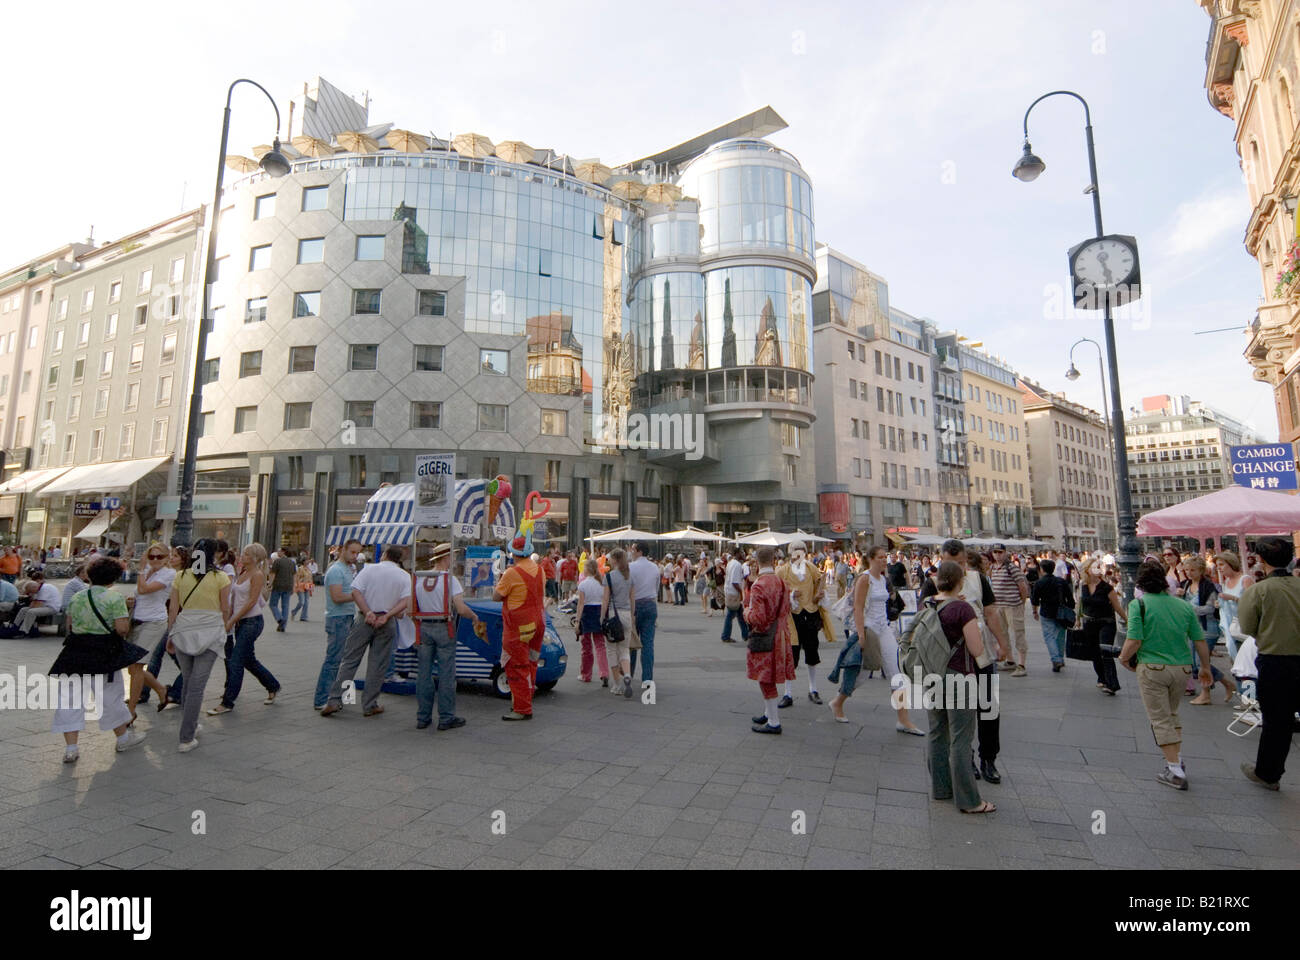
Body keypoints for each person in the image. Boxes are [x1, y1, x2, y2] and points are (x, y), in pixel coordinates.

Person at [1118, 558, 1212, 790]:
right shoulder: (1182, 605)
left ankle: (1174, 770)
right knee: (1171, 714)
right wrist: (1205, 668)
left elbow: (1134, 640)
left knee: (1159, 718)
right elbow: (1199, 640)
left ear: (1140, 584)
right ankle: (1176, 759)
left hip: (1152, 667)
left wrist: (1123, 657)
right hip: (1181, 668)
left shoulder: (1138, 605)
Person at [49, 557, 150, 762]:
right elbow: (122, 629)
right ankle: (122, 739)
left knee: (70, 699)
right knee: (110, 696)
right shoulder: (115, 598)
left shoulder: (77, 597)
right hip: (104, 652)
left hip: (75, 652)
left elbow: (70, 625)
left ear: (90, 576)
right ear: (113, 579)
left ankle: (71, 748)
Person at [922, 560, 994, 813]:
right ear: (961, 581)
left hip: (931, 676)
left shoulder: (929, 604)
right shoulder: (963, 609)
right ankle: (969, 801)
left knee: (936, 733)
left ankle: (941, 789)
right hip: (958, 676)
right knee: (961, 739)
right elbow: (976, 648)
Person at [1235, 536, 1300, 790]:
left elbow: (1248, 627)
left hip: (1276, 661)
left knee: (1277, 721)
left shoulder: (1258, 591)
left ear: (1260, 560)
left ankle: (1268, 773)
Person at [322, 545, 410, 718]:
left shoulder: (369, 570)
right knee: (377, 665)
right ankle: (369, 705)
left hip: (364, 618)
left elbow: (356, 592)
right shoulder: (404, 576)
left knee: (350, 661)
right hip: (387, 621)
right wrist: (388, 615)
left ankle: (337, 700)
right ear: (400, 559)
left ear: (384, 555)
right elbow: (406, 600)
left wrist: (368, 611)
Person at [166, 539, 232, 752]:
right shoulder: (221, 577)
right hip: (210, 632)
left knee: (188, 681)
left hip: (184, 630)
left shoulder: (180, 576)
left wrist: (170, 634)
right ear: (214, 555)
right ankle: (186, 736)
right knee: (197, 686)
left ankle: (191, 725)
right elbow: (225, 609)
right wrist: (224, 630)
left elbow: (173, 609)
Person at [413, 541, 480, 731]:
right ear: (445, 558)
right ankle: (446, 717)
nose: (454, 559)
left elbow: (412, 606)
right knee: (446, 674)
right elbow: (460, 608)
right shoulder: (449, 580)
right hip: (444, 627)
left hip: (424, 627)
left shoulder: (420, 578)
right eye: (452, 556)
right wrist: (473, 616)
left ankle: (423, 717)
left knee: (424, 674)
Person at [210, 543, 279, 714]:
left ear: (255, 558)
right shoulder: (243, 572)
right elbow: (235, 597)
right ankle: (272, 685)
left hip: (252, 622)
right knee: (248, 660)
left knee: (236, 660)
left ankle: (228, 702)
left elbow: (251, 601)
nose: (242, 556)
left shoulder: (257, 575)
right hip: (241, 622)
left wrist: (233, 620)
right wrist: (229, 616)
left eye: (246, 554)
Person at [494, 529, 546, 720]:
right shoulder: (539, 570)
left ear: (513, 553)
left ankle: (522, 708)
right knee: (531, 663)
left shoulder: (511, 573)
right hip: (538, 623)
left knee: (516, 666)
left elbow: (496, 597)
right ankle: (524, 700)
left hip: (518, 627)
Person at [744, 546, 796, 734]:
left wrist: (746, 612)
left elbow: (758, 618)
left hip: (766, 637)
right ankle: (768, 712)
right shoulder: (782, 582)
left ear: (757, 562)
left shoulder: (759, 585)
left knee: (766, 678)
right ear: (774, 561)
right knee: (770, 676)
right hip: (782, 634)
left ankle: (774, 721)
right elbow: (788, 608)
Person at [778, 540, 832, 707]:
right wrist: (791, 596)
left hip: (810, 614)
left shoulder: (811, 568)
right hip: (792, 617)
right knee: (791, 654)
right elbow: (778, 594)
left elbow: (820, 581)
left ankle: (813, 689)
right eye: (796, 551)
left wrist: (818, 595)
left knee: (812, 653)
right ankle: (787, 693)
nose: (799, 554)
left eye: (801, 551)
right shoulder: (782, 571)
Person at [1181, 555, 1237, 706]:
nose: (1189, 573)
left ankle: (1206, 694)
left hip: (1207, 628)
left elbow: (1209, 608)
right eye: (1186, 570)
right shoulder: (1185, 585)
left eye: (1193, 570)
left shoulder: (1208, 586)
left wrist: (1188, 609)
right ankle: (1227, 684)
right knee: (1194, 662)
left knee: (1200, 662)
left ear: (1200, 570)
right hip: (1191, 629)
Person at [316, 539, 361, 710]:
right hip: (337, 618)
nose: (355, 556)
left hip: (346, 616)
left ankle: (335, 697)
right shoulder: (336, 570)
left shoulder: (347, 569)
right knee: (334, 660)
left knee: (341, 659)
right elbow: (337, 597)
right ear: (342, 550)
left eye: (357, 553)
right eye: (352, 552)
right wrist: (358, 595)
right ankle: (322, 698)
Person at [1080, 555, 1126, 695]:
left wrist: (1128, 620)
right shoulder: (1084, 586)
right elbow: (1081, 603)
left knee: (1105, 652)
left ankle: (1112, 684)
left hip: (1106, 622)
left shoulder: (1107, 588)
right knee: (1094, 653)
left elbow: (1117, 607)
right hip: (1089, 622)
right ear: (1088, 570)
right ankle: (1102, 678)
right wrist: (1078, 619)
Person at [988, 544, 1029, 673]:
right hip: (999, 606)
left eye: (1000, 552)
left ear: (1005, 553)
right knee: (1003, 634)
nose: (997, 555)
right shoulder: (992, 568)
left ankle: (1021, 664)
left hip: (1013, 605)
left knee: (1018, 633)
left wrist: (1021, 603)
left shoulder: (1012, 568)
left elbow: (1022, 587)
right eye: (995, 552)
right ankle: (1010, 660)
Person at [601, 548, 635, 698]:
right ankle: (627, 674)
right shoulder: (630, 576)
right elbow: (632, 599)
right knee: (625, 649)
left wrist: (602, 617)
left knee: (611, 649)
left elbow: (605, 599)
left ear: (615, 560)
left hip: (613, 615)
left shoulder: (609, 577)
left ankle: (617, 683)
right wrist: (633, 617)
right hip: (627, 614)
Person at [1030, 558, 1072, 673]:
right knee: (1060, 637)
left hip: (1046, 612)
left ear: (1042, 570)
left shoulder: (1039, 583)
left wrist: (1034, 611)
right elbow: (1071, 599)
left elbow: (1034, 600)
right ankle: (1060, 658)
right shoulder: (1061, 582)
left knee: (1049, 637)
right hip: (1061, 613)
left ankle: (1056, 659)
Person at [628, 541, 660, 684]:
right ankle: (647, 678)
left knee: (631, 642)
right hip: (650, 604)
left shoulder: (630, 567)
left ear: (639, 551)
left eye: (633, 549)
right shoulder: (654, 567)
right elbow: (656, 588)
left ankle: (629, 674)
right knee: (648, 644)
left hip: (634, 605)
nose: (631, 552)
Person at [576, 558, 610, 686]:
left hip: (587, 612)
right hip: (599, 611)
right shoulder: (601, 583)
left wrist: (577, 621)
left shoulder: (583, 585)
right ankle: (604, 672)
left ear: (587, 569)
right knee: (600, 645)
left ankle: (586, 674)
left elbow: (580, 605)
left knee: (586, 646)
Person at [1215, 550, 1254, 662]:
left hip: (1245, 626)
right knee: (1235, 659)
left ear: (1231, 563)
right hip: (1231, 625)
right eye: (1217, 565)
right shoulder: (1227, 581)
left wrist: (1233, 598)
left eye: (1221, 564)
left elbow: (1253, 603)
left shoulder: (1245, 579)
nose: (1219, 568)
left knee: (1246, 660)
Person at [14, 571, 61, 636]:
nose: (31, 593)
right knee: (23, 609)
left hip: (52, 607)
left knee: (31, 612)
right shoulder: (38, 588)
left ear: (34, 588)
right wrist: (31, 597)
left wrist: (32, 603)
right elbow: (33, 603)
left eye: (31, 591)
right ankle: (15, 626)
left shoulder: (45, 588)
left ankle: (24, 631)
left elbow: (38, 605)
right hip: (44, 606)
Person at [721, 549, 750, 643]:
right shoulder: (737, 565)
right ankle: (726, 636)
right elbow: (735, 582)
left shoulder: (730, 563)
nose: (743, 554)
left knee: (740, 615)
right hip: (734, 593)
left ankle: (746, 634)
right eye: (741, 553)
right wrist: (741, 593)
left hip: (729, 591)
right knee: (731, 615)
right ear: (737, 554)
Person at [268, 548, 296, 631]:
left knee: (273, 604)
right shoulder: (292, 562)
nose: (277, 552)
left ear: (283, 552)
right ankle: (283, 626)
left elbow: (273, 574)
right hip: (288, 586)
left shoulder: (277, 561)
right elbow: (294, 575)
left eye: (279, 551)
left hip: (277, 586)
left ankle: (279, 618)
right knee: (285, 606)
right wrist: (293, 586)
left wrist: (269, 584)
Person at [291, 557, 314, 622]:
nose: (308, 561)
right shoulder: (300, 569)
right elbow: (297, 577)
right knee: (302, 602)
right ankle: (294, 611)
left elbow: (310, 578)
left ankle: (304, 617)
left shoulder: (309, 569)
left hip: (307, 586)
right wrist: (296, 585)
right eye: (307, 560)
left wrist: (311, 587)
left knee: (306, 602)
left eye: (308, 560)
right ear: (303, 561)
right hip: (301, 586)